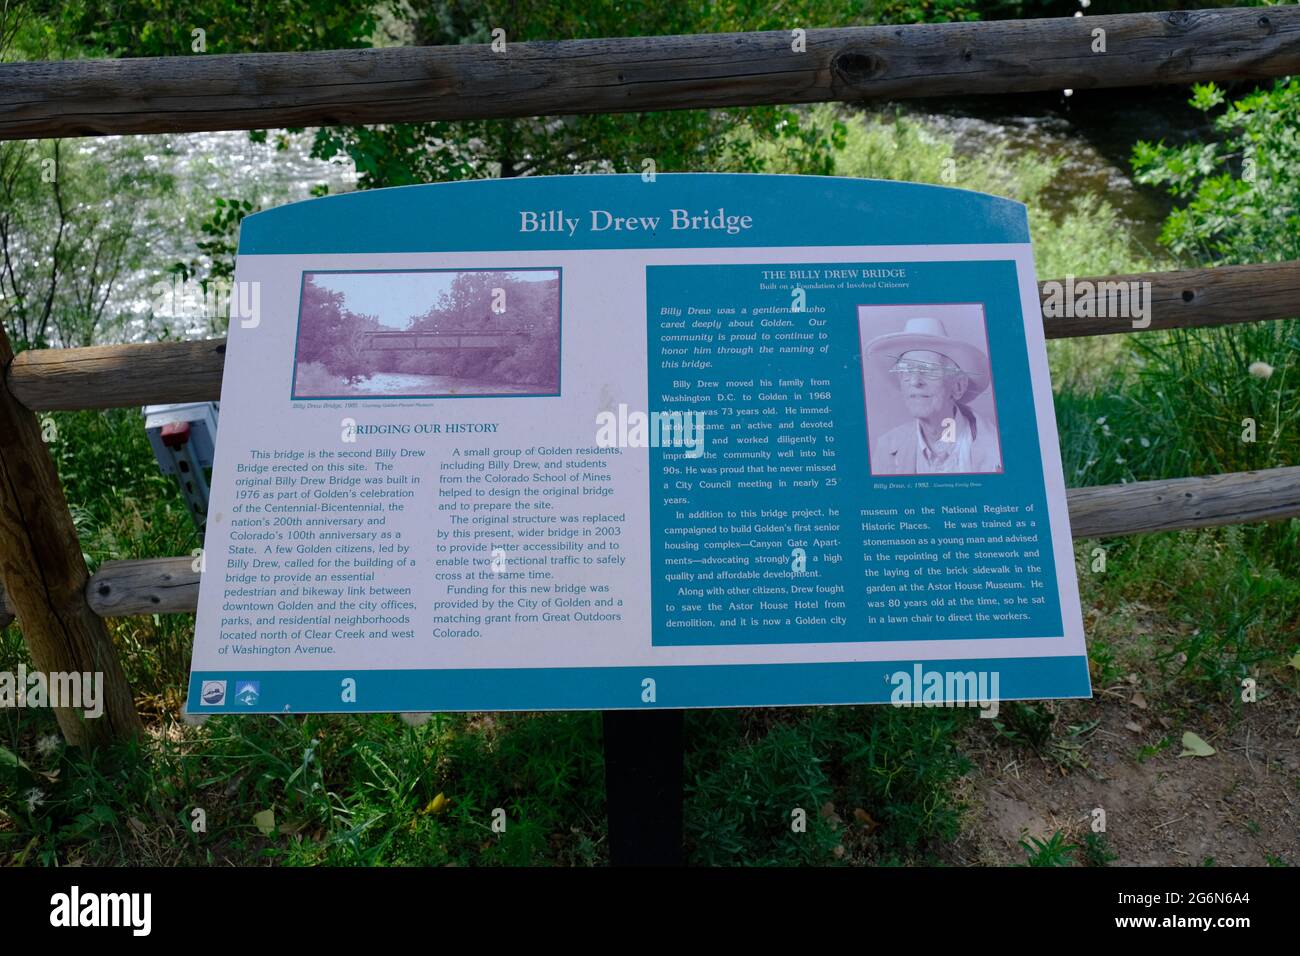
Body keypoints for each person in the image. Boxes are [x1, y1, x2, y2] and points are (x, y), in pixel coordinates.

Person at [864, 316, 1002, 475]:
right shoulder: (887, 447)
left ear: (957, 386)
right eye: (907, 371)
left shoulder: (996, 447)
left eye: (929, 370)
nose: (915, 381)